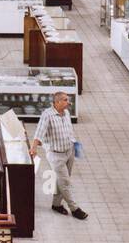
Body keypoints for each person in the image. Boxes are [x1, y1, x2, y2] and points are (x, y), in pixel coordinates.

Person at [30, 91, 88, 220]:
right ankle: (74, 208)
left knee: (60, 181)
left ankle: (56, 205)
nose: (68, 102)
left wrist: (74, 144)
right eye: (65, 100)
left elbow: (68, 130)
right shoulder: (47, 115)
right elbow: (39, 133)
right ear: (57, 102)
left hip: (69, 151)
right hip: (56, 156)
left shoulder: (66, 113)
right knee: (65, 182)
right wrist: (34, 148)